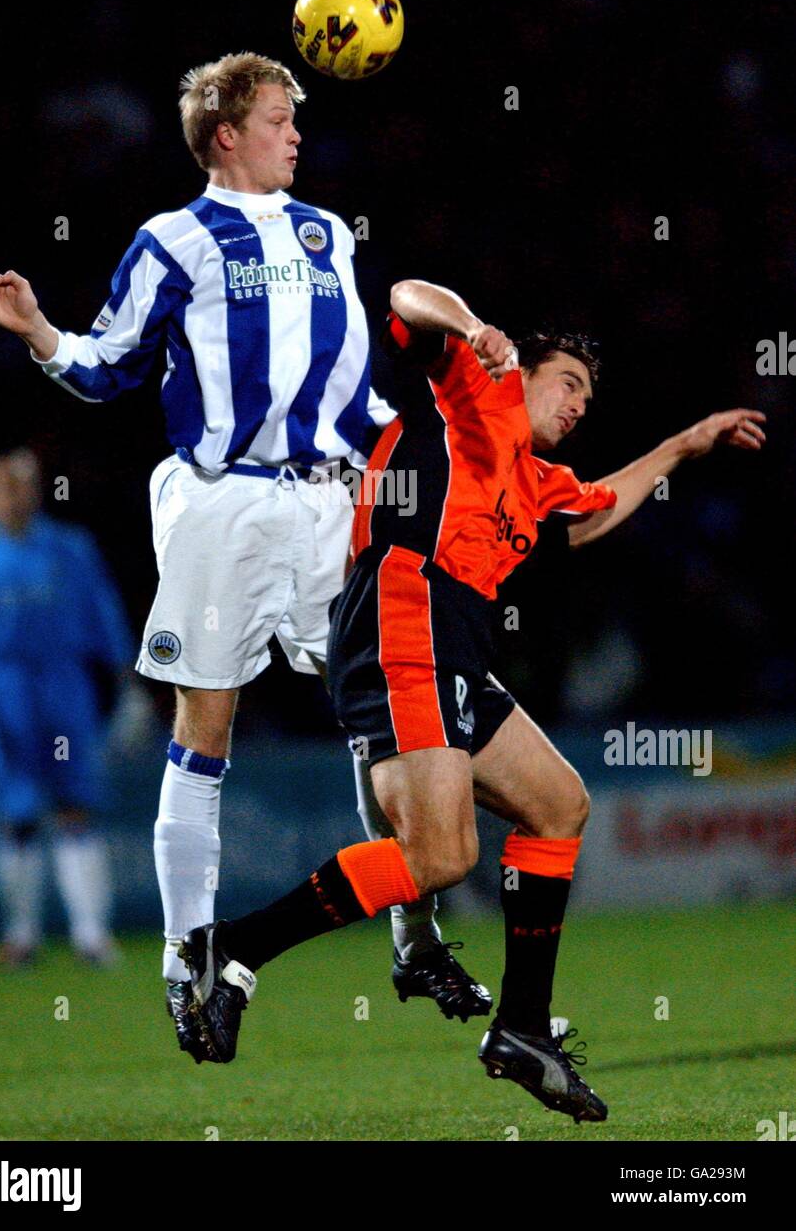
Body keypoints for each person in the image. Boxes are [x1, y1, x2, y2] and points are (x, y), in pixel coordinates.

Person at [0, 54, 482, 1055]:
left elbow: (354, 390)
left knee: (386, 712)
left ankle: (414, 934)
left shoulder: (326, 232)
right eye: (279, 119)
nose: (296, 134)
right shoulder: (171, 241)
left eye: (296, 118)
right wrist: (38, 330)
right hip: (222, 506)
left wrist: (422, 454)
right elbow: (109, 365)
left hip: (327, 502)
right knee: (206, 722)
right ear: (225, 135)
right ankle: (182, 959)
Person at [178, 278, 765, 1121]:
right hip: (402, 608)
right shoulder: (474, 395)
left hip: (455, 643)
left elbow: (596, 514)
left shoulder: (538, 480)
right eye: (568, 384)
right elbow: (406, 294)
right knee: (441, 857)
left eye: (589, 399)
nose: (578, 406)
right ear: (523, 373)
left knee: (559, 805)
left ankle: (522, 1027)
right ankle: (230, 947)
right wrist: (476, 326)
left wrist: (683, 445)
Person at [0, 448, 131, 965]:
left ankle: (92, 934)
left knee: (76, 809)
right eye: (1, 487)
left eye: (20, 485)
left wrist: (122, 686)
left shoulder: (70, 549)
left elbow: (105, 619)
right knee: (17, 816)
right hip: (7, 699)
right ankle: (21, 934)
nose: (12, 497)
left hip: (65, 691)